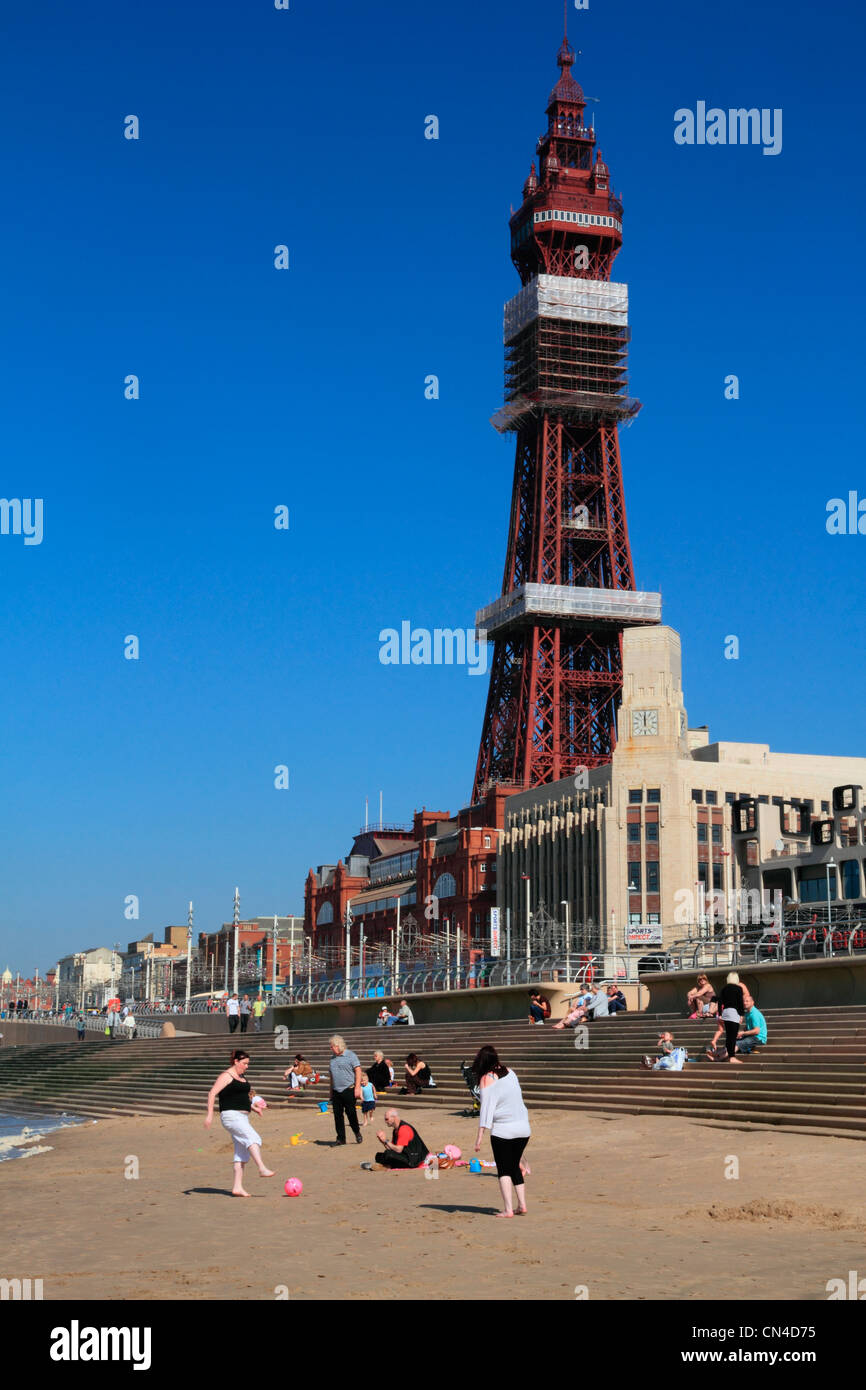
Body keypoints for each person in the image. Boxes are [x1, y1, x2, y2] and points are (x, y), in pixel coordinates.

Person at [204, 1048, 275, 1197]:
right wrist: (209, 1115)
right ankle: (261, 1168)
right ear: (236, 1061)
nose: (246, 1066)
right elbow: (212, 1093)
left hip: (242, 1117)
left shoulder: (241, 1076)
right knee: (254, 1138)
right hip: (230, 1116)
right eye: (244, 1063)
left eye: (248, 1063)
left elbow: (240, 1098)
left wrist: (254, 1108)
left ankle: (237, 1187)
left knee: (241, 1152)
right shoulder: (226, 1075)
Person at [473, 1044, 531, 1218]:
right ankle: (522, 1205)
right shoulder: (511, 1072)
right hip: (523, 1129)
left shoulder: (486, 1078)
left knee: (504, 1170)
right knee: (514, 1167)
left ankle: (508, 1209)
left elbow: (486, 1110)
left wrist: (480, 1137)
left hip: (503, 1131)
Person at [328, 1035, 363, 1144]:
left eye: (332, 1046)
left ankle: (357, 1132)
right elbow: (332, 1077)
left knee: (351, 1113)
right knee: (338, 1116)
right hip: (336, 1091)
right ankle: (341, 1138)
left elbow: (358, 1070)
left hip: (349, 1089)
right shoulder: (332, 1059)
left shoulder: (351, 1055)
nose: (330, 1048)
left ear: (338, 1045)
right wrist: (330, 1092)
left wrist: (357, 1087)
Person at [706, 972, 746, 1064]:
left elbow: (720, 1002)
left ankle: (730, 1056)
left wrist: (720, 1013)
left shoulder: (724, 988)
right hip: (734, 1012)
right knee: (732, 1036)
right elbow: (740, 1002)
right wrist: (741, 1015)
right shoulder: (738, 988)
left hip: (726, 1012)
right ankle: (732, 1057)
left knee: (729, 1036)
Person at [736, 989, 768, 1055]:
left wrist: (743, 1033)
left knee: (739, 1043)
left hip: (759, 1038)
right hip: (752, 1036)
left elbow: (756, 1031)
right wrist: (741, 1033)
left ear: (752, 1002)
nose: (744, 1003)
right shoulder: (748, 1013)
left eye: (747, 1001)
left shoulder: (754, 1014)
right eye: (744, 1001)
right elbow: (749, 1026)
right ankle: (718, 1054)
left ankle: (720, 1057)